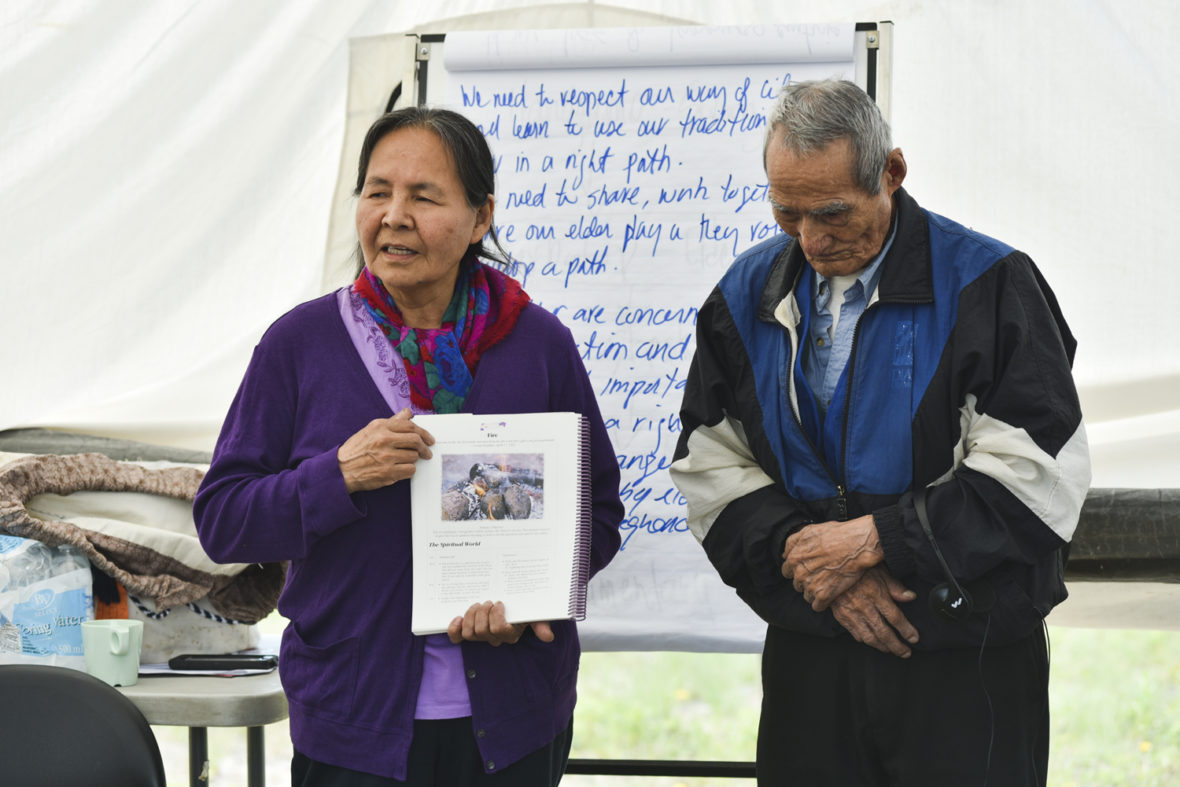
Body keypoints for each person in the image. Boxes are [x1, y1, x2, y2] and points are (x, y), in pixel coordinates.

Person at [669, 79, 1090, 786]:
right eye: (786, 215)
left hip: (965, 657)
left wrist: (873, 543)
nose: (810, 239)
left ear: (890, 172)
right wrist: (823, 576)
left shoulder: (989, 283)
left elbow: (1036, 475)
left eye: (832, 213)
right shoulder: (744, 294)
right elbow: (711, 463)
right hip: (813, 654)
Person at [193, 106, 623, 786]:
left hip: (513, 722)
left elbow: (597, 514)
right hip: (351, 722)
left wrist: (530, 600)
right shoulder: (300, 345)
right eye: (377, 191)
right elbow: (223, 519)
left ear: (481, 217)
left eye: (424, 197)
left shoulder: (538, 345)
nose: (394, 215)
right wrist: (337, 474)